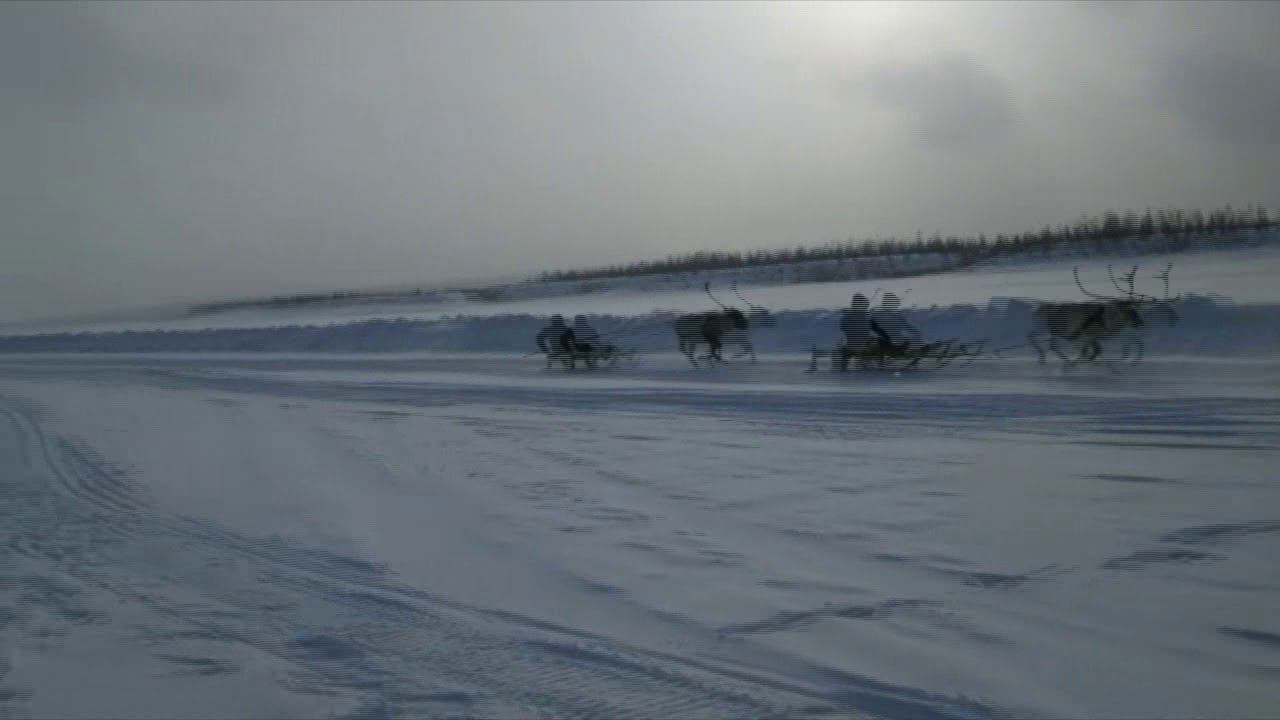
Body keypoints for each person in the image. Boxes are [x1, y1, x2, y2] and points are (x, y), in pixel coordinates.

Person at [836, 293, 874, 370]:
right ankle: (866, 363)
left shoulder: (847, 316)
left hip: (851, 343)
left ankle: (845, 365)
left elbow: (842, 328)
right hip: (863, 344)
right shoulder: (864, 315)